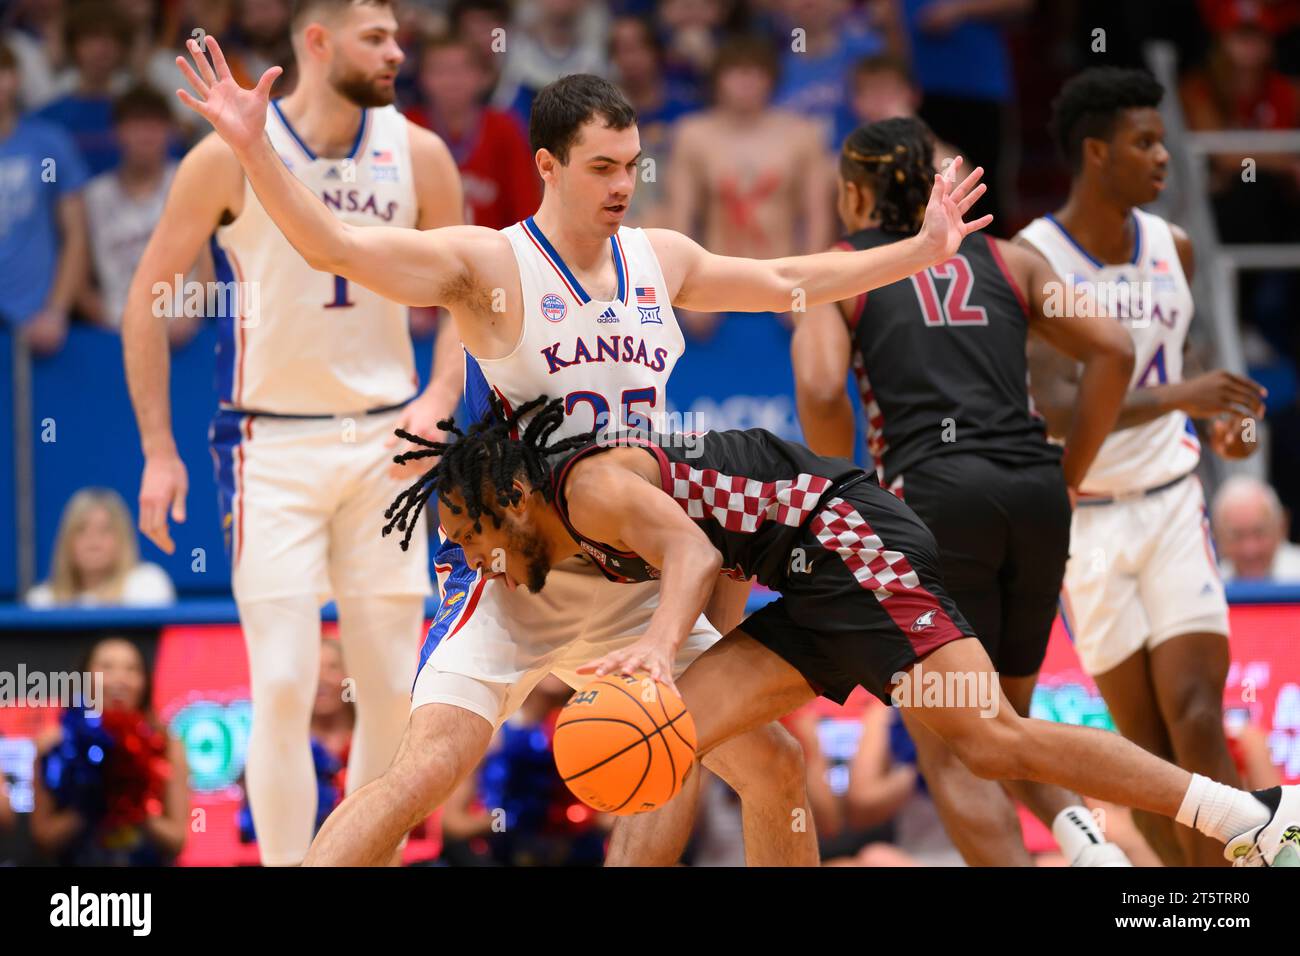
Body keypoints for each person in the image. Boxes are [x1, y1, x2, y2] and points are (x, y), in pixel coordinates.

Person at [169, 28, 994, 866]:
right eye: (602, 167)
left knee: (773, 766)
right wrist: (255, 147)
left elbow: (791, 278)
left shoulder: (659, 259)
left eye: (632, 164)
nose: (623, 184)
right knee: (423, 772)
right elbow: (333, 248)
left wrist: (919, 253)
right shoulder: (489, 265)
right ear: (548, 167)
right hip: (517, 569)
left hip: (629, 573)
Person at [397, 393, 1300, 868]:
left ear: (510, 500)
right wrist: (680, 673)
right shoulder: (562, 527)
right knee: (668, 740)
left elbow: (696, 558)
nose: (476, 562)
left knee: (988, 740)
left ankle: (1250, 817)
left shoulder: (584, 489)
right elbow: (722, 560)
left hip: (847, 536)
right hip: (798, 575)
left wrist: (658, 655)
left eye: (469, 537)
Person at [122, 0, 466, 867]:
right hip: (268, 445)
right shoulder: (225, 153)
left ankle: (361, 860)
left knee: (391, 690)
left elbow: (474, 290)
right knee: (279, 683)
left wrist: (440, 392)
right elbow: (145, 301)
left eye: (396, 36)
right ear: (317, 41)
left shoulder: (420, 153)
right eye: (375, 37)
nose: (397, 50)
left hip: (391, 440)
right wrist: (159, 450)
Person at [790, 115, 1135, 866]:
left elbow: (820, 386)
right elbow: (1114, 348)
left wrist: (843, 503)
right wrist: (1070, 472)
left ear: (854, 194)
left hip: (934, 499)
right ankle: (1090, 848)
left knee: (951, 741)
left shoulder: (838, 270)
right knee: (1006, 721)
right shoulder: (1015, 259)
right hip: (1036, 492)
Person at [1020, 66, 1268, 866]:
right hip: (1084, 519)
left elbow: (1188, 366)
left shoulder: (1175, 247)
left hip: (1171, 503)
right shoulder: (1035, 258)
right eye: (1145, 142)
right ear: (1096, 153)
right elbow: (1057, 406)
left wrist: (1226, 427)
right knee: (1150, 757)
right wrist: (1179, 395)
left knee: (1198, 713)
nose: (1165, 156)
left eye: (1162, 140)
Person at [30, 636, 190, 866]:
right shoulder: (54, 743)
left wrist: (133, 804)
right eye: (106, 667)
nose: (119, 679)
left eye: (131, 669)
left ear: (145, 681)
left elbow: (177, 840)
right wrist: (92, 802)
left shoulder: (165, 744)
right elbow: (43, 838)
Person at [81, 84, 198, 341]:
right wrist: (112, 320)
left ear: (170, 131)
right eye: (135, 125)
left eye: (154, 125)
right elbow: (78, 277)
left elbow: (208, 263)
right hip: (115, 332)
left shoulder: (188, 180)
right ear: (116, 132)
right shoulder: (94, 196)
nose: (145, 135)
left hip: (182, 335)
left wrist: (188, 315)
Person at [0, 40, 89, 356]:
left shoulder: (48, 145)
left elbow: (76, 234)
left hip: (34, 315)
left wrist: (57, 310)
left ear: (16, 78)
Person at [404, 34, 540, 231]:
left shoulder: (504, 128)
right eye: (439, 70)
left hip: (494, 253)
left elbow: (526, 207)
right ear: (421, 78)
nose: (451, 80)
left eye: (462, 70)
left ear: (485, 77)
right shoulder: (406, 126)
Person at [26, 488, 175, 608]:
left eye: (105, 530)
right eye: (81, 529)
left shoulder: (146, 586)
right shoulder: (42, 602)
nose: (93, 540)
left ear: (122, 539)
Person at [1212, 474, 1300, 582]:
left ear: (1281, 528)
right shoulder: (1211, 586)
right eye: (1237, 536)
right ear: (1218, 538)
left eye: (1259, 533)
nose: (1250, 550)